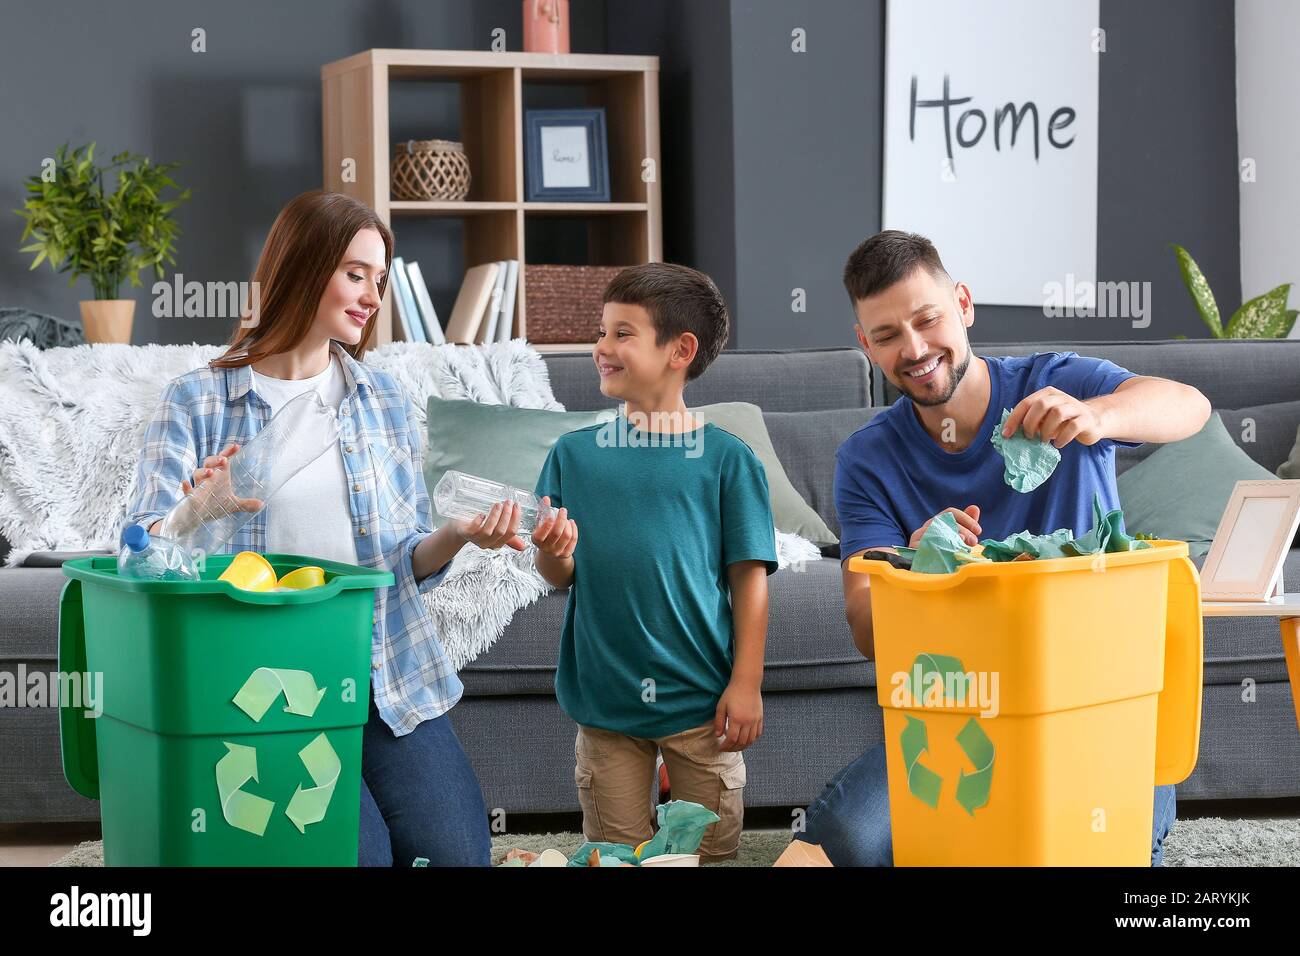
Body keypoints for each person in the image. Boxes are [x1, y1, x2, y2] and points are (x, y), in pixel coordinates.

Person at [128, 190, 527, 866]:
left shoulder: (384, 400)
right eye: (354, 273)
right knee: (359, 858)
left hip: (382, 674)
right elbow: (137, 564)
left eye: (379, 278)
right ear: (304, 266)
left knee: (458, 857)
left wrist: (456, 534)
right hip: (266, 685)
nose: (372, 295)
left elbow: (400, 562)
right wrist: (199, 511)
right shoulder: (197, 401)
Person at [798, 230, 1211, 865]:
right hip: (957, 719)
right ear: (866, 345)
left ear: (963, 304)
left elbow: (1190, 406)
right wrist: (912, 566)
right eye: (886, 336)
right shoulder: (866, 459)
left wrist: (1099, 416)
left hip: (1098, 707)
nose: (914, 349)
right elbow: (865, 628)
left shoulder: (1057, 383)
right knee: (849, 843)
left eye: (927, 319)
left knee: (1083, 847)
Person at [530, 263, 777, 862]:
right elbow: (561, 577)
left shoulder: (727, 460)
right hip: (607, 703)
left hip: (701, 703)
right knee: (616, 853)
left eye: (622, 333)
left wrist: (746, 684)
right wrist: (551, 552)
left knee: (709, 851)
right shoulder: (573, 455)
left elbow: (749, 581)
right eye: (601, 331)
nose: (601, 348)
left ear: (680, 350)